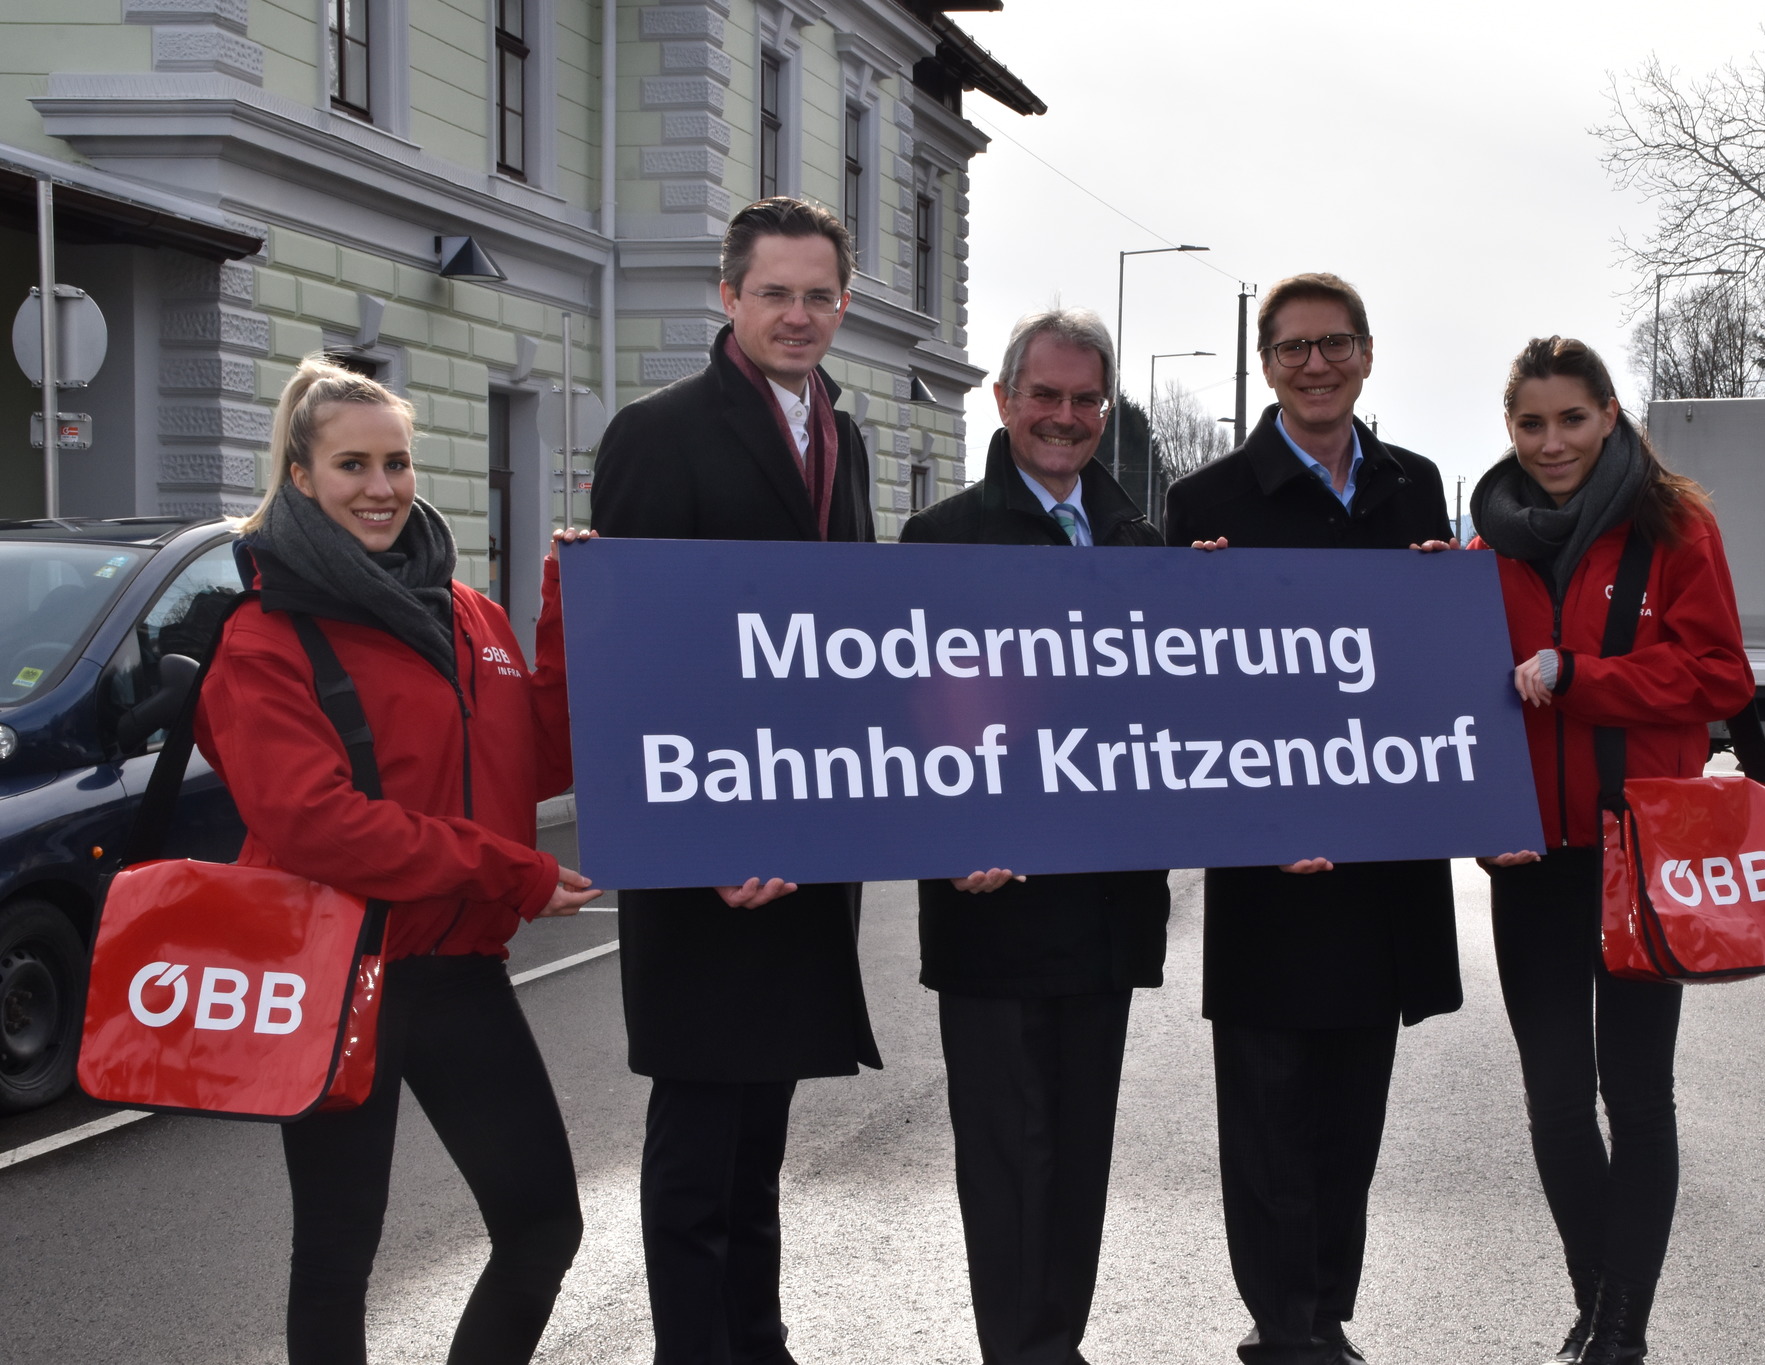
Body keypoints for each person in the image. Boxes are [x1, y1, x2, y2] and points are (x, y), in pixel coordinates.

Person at [195, 356, 599, 1365]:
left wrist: (569, 608)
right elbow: (315, 826)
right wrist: (513, 876)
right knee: (337, 1259)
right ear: (300, 476)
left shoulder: (466, 615)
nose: (380, 488)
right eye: (351, 466)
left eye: (397, 463)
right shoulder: (264, 633)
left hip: (457, 967)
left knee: (543, 1225)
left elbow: (533, 762)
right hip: (338, 976)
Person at [588, 196, 880, 1365]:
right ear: (728, 296)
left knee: (763, 1134)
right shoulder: (655, 435)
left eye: (818, 296)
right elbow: (637, 657)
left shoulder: (842, 438)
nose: (798, 316)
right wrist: (698, 842)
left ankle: (756, 1344)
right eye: (775, 293)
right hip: (707, 848)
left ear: (842, 306)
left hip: (803, 843)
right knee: (701, 1138)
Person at [1163, 273, 1461, 1365]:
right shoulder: (1203, 507)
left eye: (1333, 344)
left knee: (1350, 1113)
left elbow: (1439, 673)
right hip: (1266, 859)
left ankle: (1324, 1307)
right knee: (1265, 1109)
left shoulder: (1415, 489)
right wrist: (1181, 603)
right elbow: (1178, 689)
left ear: (1367, 355)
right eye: (1291, 349)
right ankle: (1283, 1322)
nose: (1314, 364)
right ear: (1265, 363)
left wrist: (1450, 596)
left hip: (1379, 860)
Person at [1471, 336, 1751, 1365]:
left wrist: (1582, 674)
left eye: (1570, 419)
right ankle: (1599, 1304)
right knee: (1552, 1099)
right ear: (1508, 429)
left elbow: (1718, 674)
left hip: (1640, 854)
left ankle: (1617, 1330)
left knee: (1634, 1096)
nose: (1551, 442)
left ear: (1608, 414)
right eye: (1529, 423)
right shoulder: (1484, 544)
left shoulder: (1672, 526)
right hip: (1529, 858)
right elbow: (1454, 692)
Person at [900, 308, 1170, 1365]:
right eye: (1044, 397)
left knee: (1079, 1153)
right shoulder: (941, 541)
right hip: (990, 907)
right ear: (1004, 401)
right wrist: (944, 833)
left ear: (1103, 412)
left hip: (1103, 908)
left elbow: (1178, 719)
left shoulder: (1147, 554)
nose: (1064, 419)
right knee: (1008, 1160)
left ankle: (1058, 1341)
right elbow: (907, 722)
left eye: (1084, 401)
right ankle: (1019, 1351)